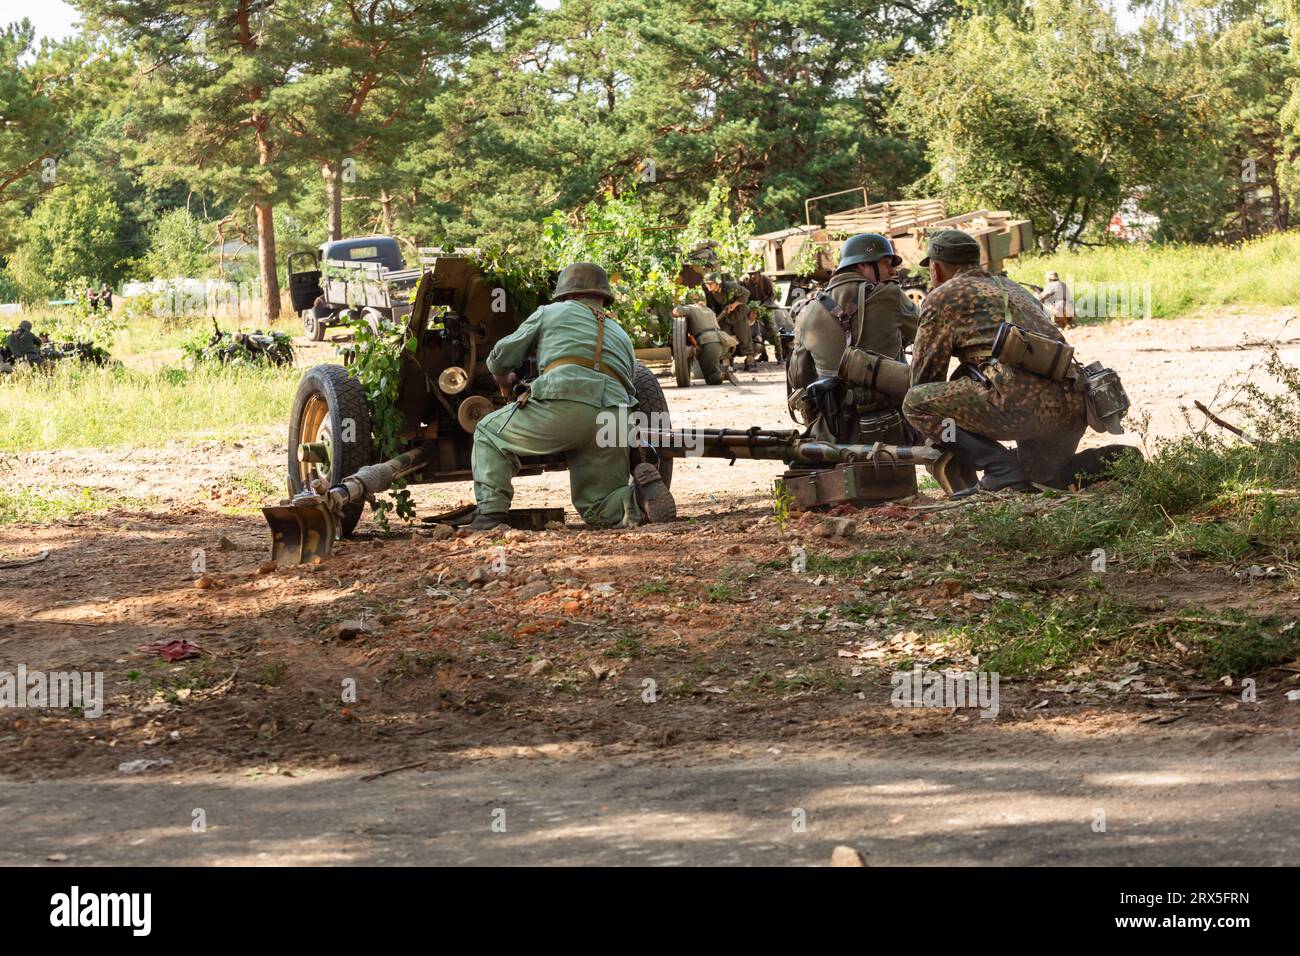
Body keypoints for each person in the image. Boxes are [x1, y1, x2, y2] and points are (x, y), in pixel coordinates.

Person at [469, 262, 676, 530]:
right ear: (603, 296)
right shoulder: (621, 334)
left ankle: (490, 516)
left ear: (565, 294)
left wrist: (505, 382)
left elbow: (500, 358)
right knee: (599, 506)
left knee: (488, 433)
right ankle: (637, 500)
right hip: (613, 416)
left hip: (565, 401)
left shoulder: (550, 312)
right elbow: (630, 383)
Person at [902, 229, 1088, 496]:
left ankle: (999, 467)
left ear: (936, 268)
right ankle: (1109, 461)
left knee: (916, 403)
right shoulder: (1016, 289)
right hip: (1073, 404)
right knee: (1043, 479)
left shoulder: (944, 297)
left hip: (1020, 405)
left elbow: (924, 379)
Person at [787, 233, 919, 440]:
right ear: (861, 266)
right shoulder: (890, 295)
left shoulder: (807, 312)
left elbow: (799, 378)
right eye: (886, 264)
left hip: (834, 429)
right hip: (892, 424)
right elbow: (925, 333)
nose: (892, 271)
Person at [703, 272, 756, 371]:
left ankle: (750, 359)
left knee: (744, 335)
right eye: (707, 284)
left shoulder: (730, 287)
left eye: (710, 283)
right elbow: (710, 306)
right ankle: (726, 361)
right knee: (724, 337)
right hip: (723, 315)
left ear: (717, 283)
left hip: (738, 312)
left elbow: (746, 293)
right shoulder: (707, 291)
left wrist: (735, 304)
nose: (708, 286)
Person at [672, 302, 732, 385]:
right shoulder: (708, 310)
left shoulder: (690, 308)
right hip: (723, 342)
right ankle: (722, 368)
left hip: (709, 344)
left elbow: (676, 311)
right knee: (711, 362)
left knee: (712, 378)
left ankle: (722, 375)